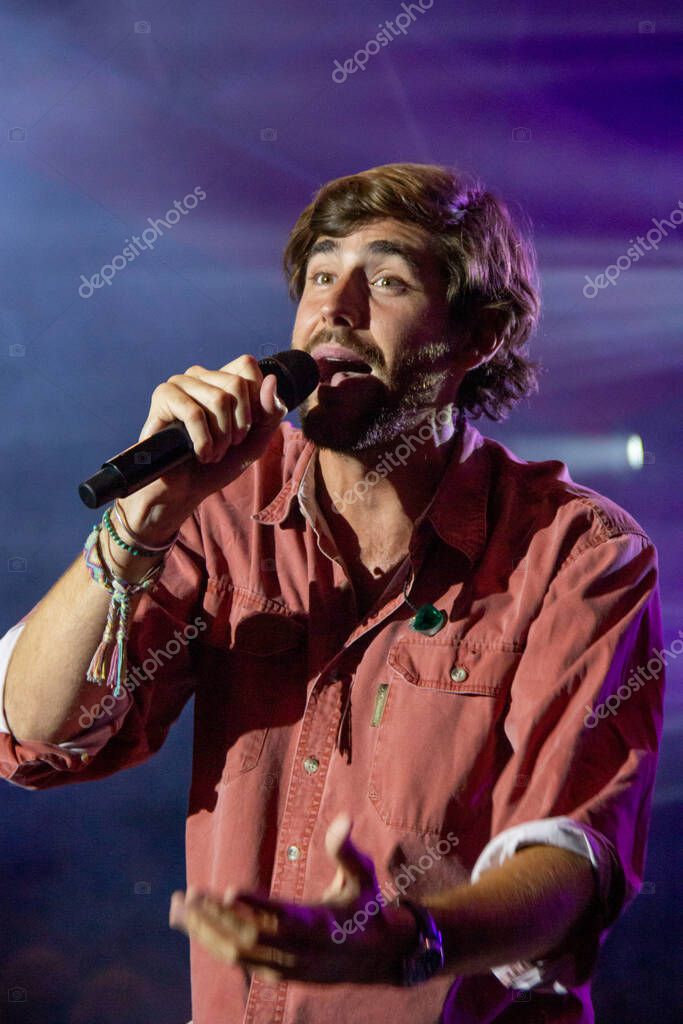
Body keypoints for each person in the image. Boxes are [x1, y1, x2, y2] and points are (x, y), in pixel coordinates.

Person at [0, 163, 664, 1023]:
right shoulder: (222, 505)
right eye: (320, 276)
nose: (335, 310)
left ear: (481, 334)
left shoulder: (576, 554)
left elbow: (575, 857)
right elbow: (36, 731)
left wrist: (408, 941)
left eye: (386, 281)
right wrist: (143, 518)